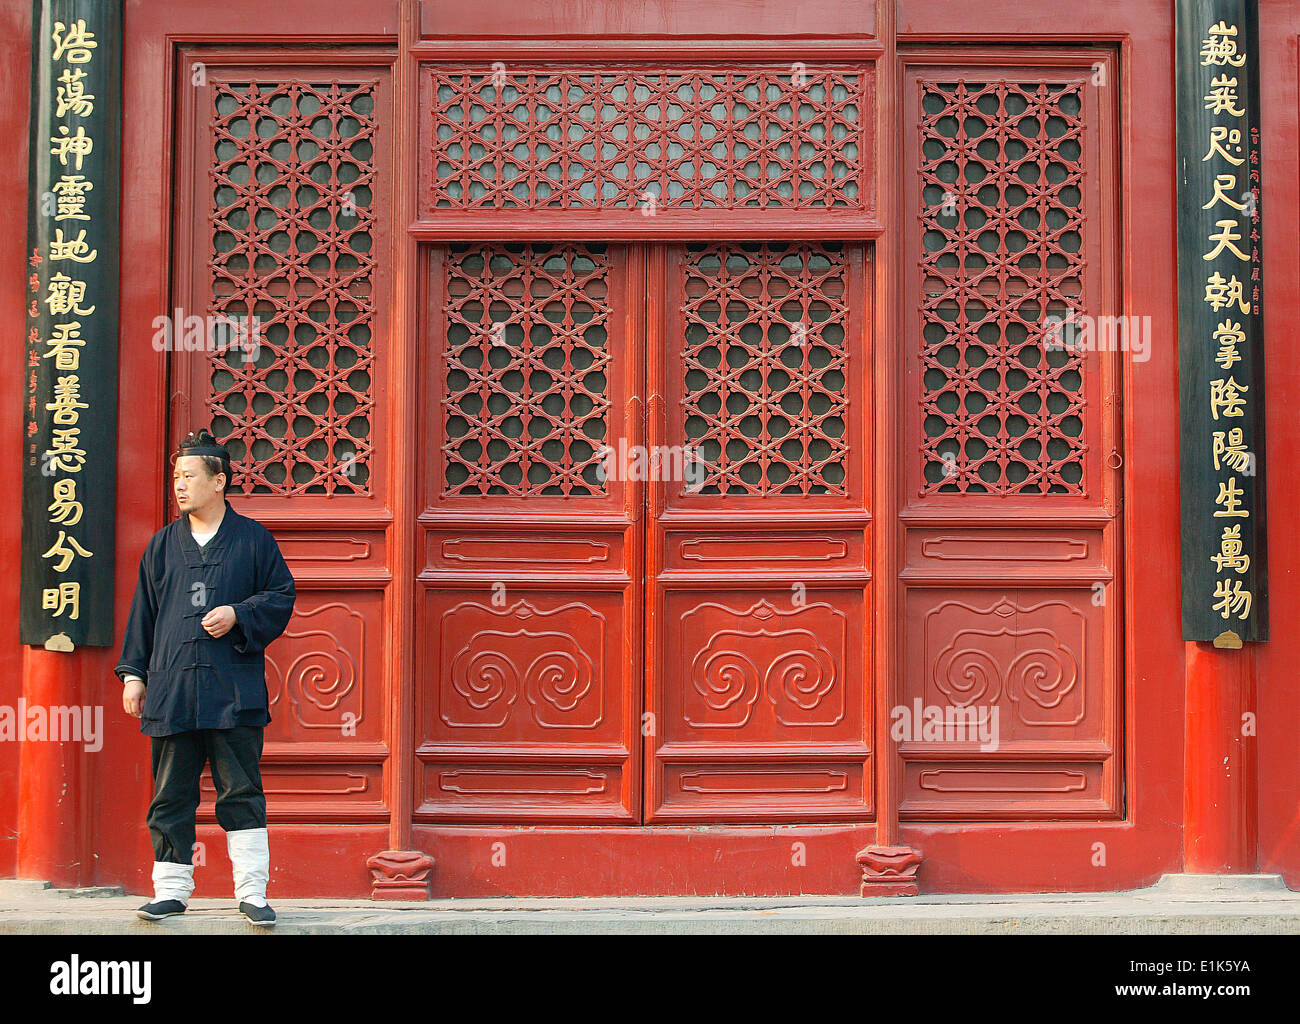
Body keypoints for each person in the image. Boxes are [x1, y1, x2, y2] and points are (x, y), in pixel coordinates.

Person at [116, 429, 295, 927]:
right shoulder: (161, 545)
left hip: (231, 689)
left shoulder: (254, 539)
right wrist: (134, 676)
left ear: (219, 481)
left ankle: (252, 892)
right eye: (176, 477)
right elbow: (144, 615)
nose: (179, 486)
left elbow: (281, 596)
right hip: (172, 687)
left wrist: (239, 614)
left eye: (189, 476)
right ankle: (171, 890)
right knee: (171, 792)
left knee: (240, 790)